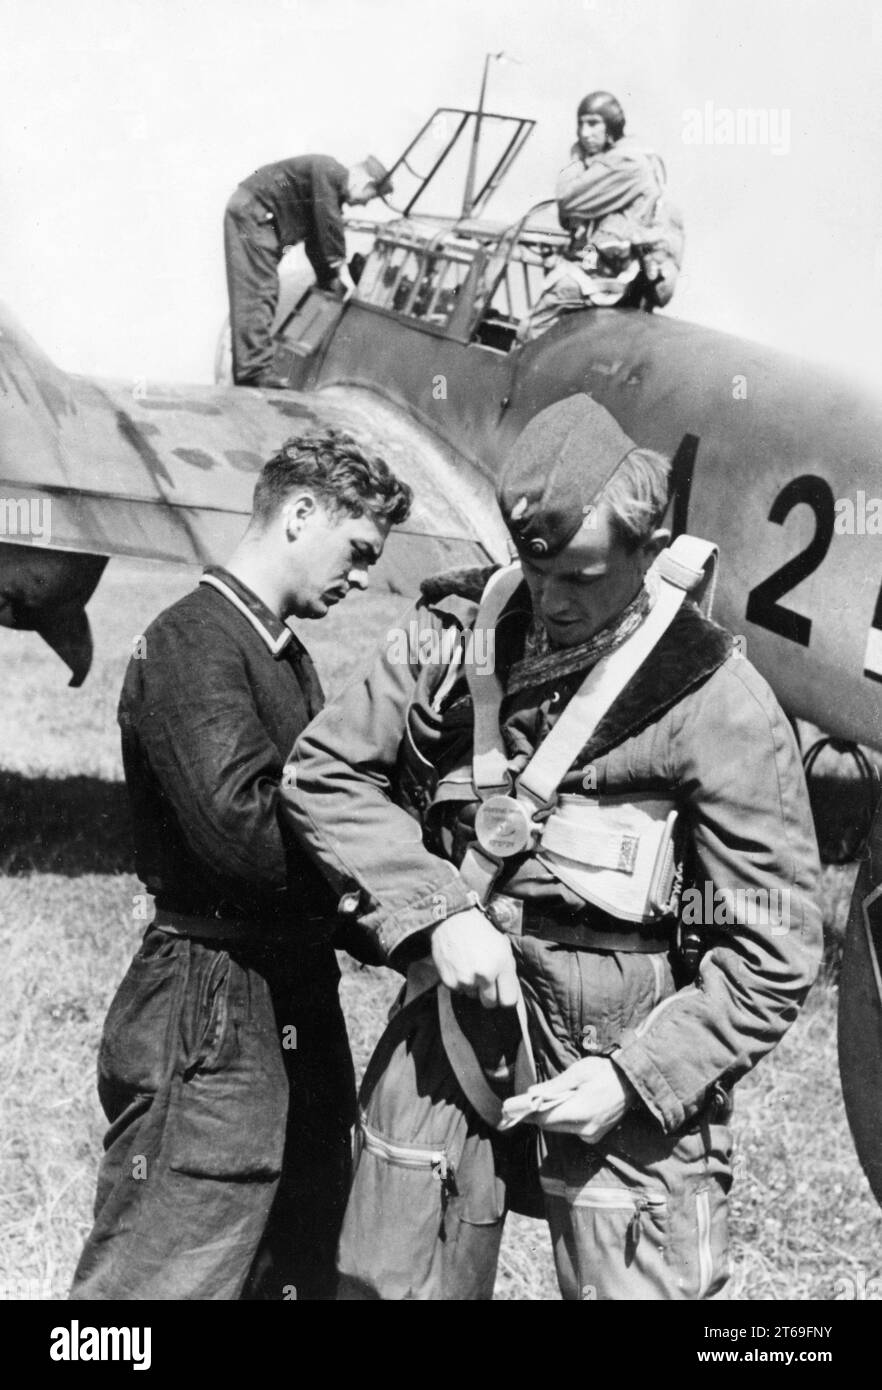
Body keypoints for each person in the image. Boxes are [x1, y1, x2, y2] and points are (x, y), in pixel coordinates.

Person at [281, 393, 822, 1301]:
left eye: (583, 575)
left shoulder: (714, 698)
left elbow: (773, 946)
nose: (552, 602)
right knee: (384, 1280)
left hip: (629, 1033)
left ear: (648, 554)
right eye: (537, 573)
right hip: (453, 1010)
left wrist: (636, 1079)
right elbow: (323, 770)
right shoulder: (451, 633)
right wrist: (439, 917)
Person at [69, 428, 412, 1301]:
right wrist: (405, 897)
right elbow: (249, 835)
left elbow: (328, 814)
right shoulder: (190, 641)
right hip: (209, 1000)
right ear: (301, 514)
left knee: (288, 1266)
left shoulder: (279, 651)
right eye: (360, 550)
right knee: (161, 1279)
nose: (365, 577)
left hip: (288, 991)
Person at [519, 92, 684, 342]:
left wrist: (576, 158)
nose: (585, 133)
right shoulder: (625, 159)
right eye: (581, 124)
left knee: (532, 328)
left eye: (593, 123)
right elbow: (569, 219)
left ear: (612, 126)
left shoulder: (626, 164)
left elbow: (567, 199)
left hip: (611, 277)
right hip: (613, 271)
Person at [224, 154, 393, 386]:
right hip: (255, 214)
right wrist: (338, 268)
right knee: (260, 291)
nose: (364, 204)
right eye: (369, 197)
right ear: (363, 183)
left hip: (256, 213)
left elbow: (318, 239)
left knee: (261, 290)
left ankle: (251, 370)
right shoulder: (328, 173)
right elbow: (328, 223)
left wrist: (329, 281)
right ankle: (253, 372)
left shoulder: (325, 184)